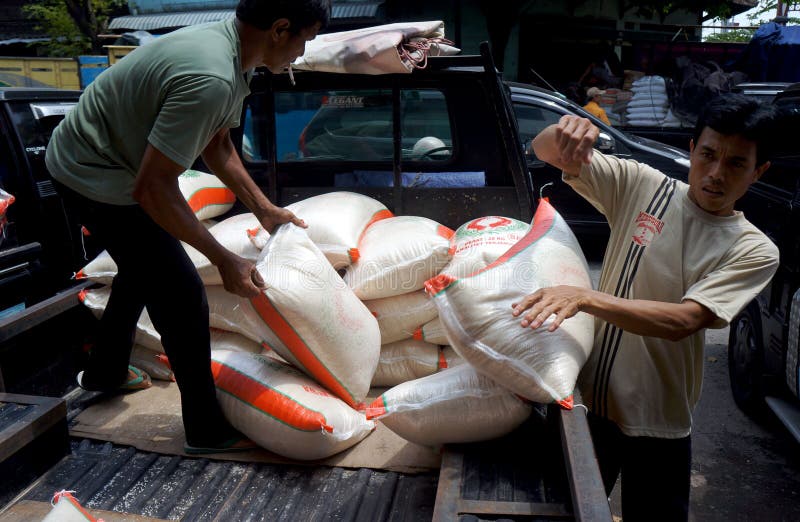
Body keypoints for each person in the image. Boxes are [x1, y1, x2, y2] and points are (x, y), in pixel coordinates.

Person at [45, 0, 331, 454]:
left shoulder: (235, 56)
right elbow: (152, 189)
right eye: (305, 39)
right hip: (91, 170)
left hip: (114, 160)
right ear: (280, 29)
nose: (302, 52)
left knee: (144, 267)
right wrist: (225, 259)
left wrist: (263, 209)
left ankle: (104, 371)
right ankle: (205, 429)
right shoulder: (211, 76)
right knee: (180, 290)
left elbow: (218, 145)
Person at [512, 93, 779, 521]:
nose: (715, 173)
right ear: (691, 149)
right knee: (562, 512)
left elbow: (686, 320)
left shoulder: (752, 249)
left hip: (659, 421)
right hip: (588, 403)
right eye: (708, 155)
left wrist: (585, 297)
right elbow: (545, 150)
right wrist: (564, 132)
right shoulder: (644, 185)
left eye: (735, 164)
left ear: (758, 171)